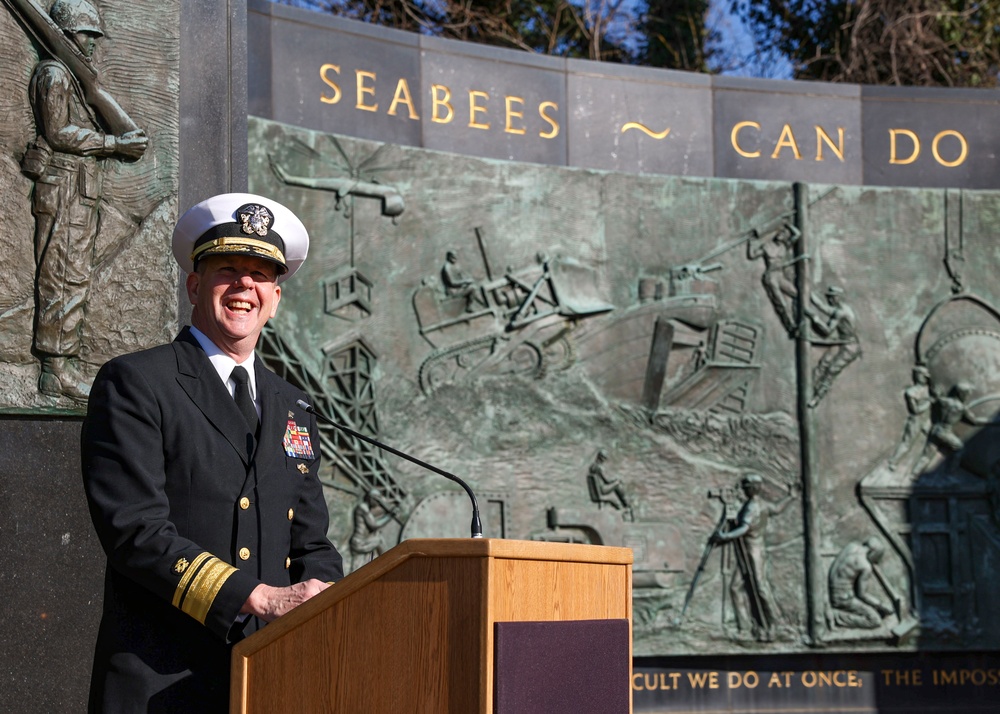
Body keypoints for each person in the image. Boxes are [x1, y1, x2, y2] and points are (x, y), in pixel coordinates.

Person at [81, 193, 344, 713]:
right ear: (195, 284)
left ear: (275, 298)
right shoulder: (137, 382)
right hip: (162, 681)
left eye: (261, 275)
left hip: (270, 678)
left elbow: (312, 540)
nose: (245, 285)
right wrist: (259, 597)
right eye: (228, 270)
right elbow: (136, 533)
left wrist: (328, 599)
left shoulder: (293, 405)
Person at [28, 0, 148, 402]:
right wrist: (114, 142)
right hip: (63, 186)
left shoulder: (75, 77)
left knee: (74, 275)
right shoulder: (54, 73)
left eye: (95, 36)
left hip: (80, 188)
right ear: (64, 34)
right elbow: (59, 132)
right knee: (61, 274)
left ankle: (64, 365)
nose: (92, 44)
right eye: (85, 34)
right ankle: (54, 370)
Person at [713, 473, 795, 642]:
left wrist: (724, 536)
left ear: (750, 489)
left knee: (760, 587)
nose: (741, 490)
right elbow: (777, 509)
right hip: (748, 553)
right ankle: (745, 627)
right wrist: (791, 497)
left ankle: (774, 623)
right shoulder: (759, 504)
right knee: (736, 587)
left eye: (743, 488)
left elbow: (743, 529)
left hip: (753, 552)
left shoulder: (751, 507)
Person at [805, 285, 861, 408]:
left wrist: (814, 318)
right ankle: (810, 389)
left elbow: (827, 331)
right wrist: (807, 293)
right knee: (822, 364)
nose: (829, 300)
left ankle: (816, 398)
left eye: (831, 298)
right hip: (841, 342)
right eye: (828, 297)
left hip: (850, 347)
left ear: (837, 298)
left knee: (831, 371)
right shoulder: (839, 309)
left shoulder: (841, 312)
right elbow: (823, 307)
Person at [828, 537, 892, 629]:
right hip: (843, 599)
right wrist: (881, 605)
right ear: (874, 552)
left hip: (833, 591)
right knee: (875, 620)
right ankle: (836, 616)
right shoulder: (865, 566)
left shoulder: (851, 546)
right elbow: (862, 594)